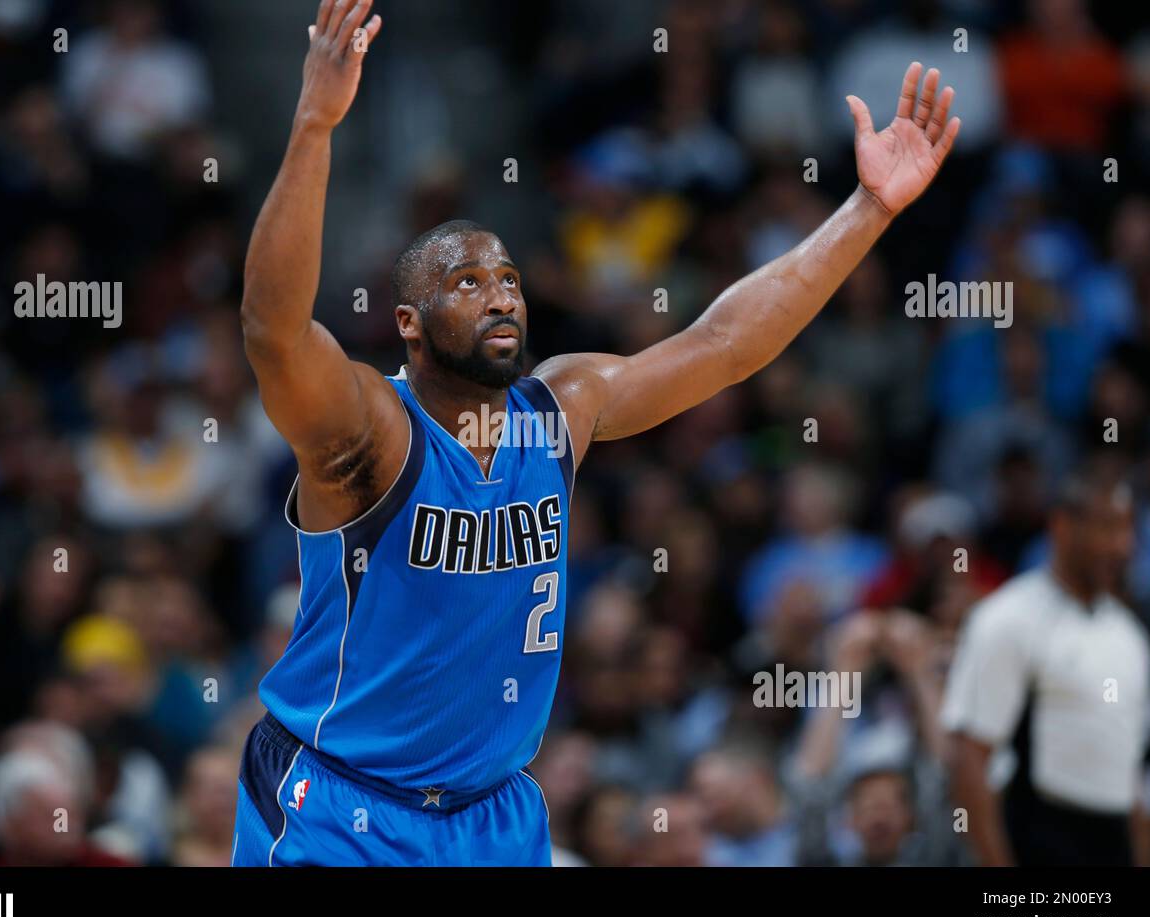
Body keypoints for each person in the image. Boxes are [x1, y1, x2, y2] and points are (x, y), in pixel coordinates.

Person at [231, 0, 960, 866]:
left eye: (507, 275)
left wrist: (869, 208)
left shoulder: (563, 407)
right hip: (341, 803)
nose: (500, 293)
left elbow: (724, 345)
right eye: (465, 282)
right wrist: (314, 124)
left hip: (494, 813)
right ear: (410, 325)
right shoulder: (371, 435)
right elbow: (275, 332)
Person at [942, 470, 1150, 865]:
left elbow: (1132, 778)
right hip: (1038, 836)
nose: (1122, 547)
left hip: (1113, 843)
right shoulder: (1008, 619)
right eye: (1107, 528)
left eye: (1128, 530)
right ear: (1062, 526)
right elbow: (969, 758)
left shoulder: (1131, 637)